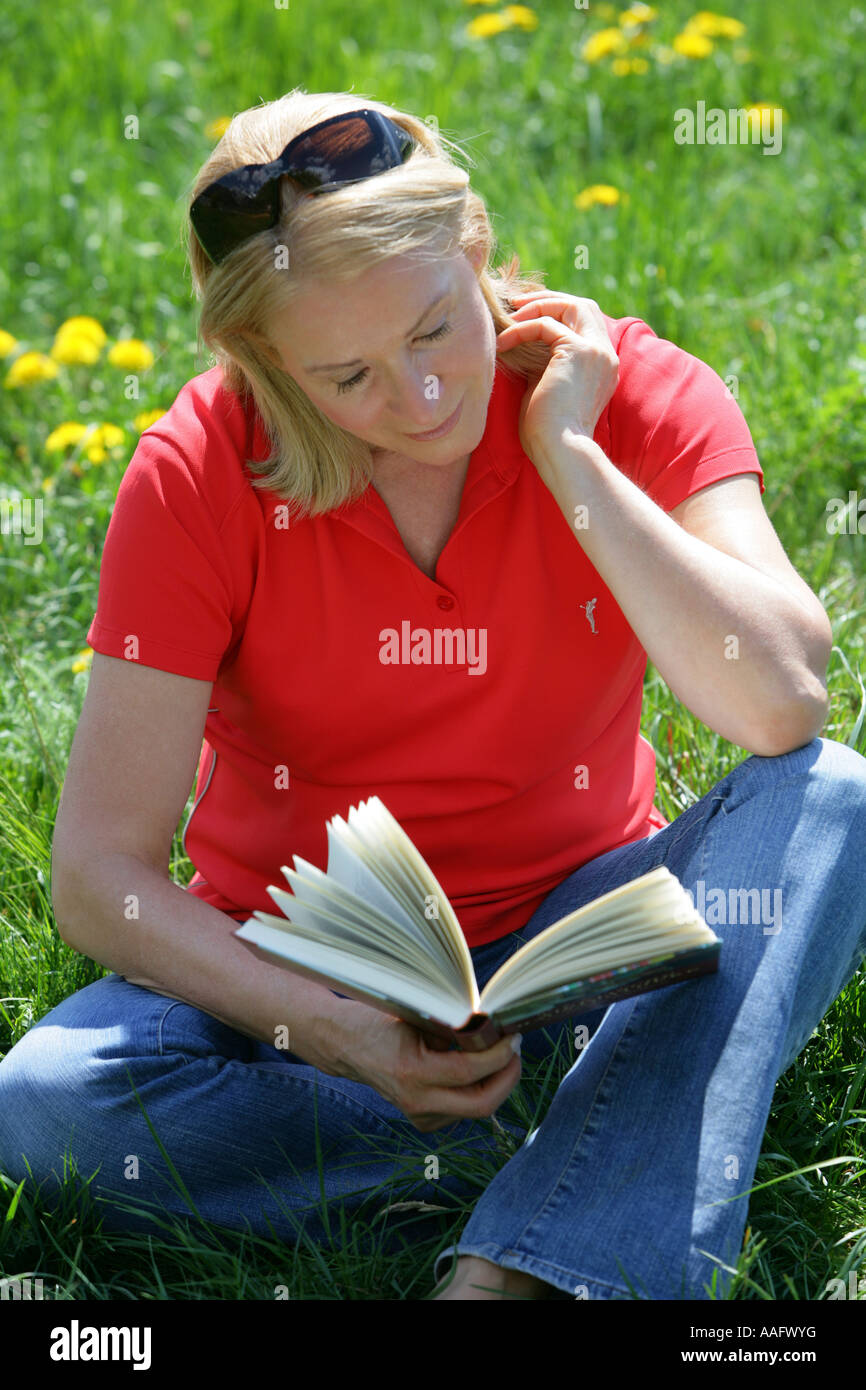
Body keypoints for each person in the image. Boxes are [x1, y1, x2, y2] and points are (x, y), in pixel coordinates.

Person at [1, 88, 864, 1302]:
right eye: (344, 374)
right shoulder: (197, 471)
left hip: (588, 951)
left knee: (829, 801)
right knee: (46, 1111)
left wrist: (571, 454)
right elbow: (100, 875)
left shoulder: (630, 388)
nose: (416, 401)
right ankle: (613, 1135)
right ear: (264, 364)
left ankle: (515, 1259)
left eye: (434, 329)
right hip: (302, 976)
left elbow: (781, 703)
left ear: (475, 250)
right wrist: (332, 1030)